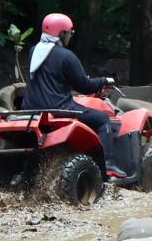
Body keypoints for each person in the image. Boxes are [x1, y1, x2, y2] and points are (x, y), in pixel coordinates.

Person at [20, 12, 138, 181]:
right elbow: (83, 85)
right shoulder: (66, 56)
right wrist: (104, 80)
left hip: (31, 109)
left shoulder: (34, 51)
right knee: (103, 119)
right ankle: (109, 165)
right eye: (69, 32)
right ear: (61, 33)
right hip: (59, 108)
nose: (70, 36)